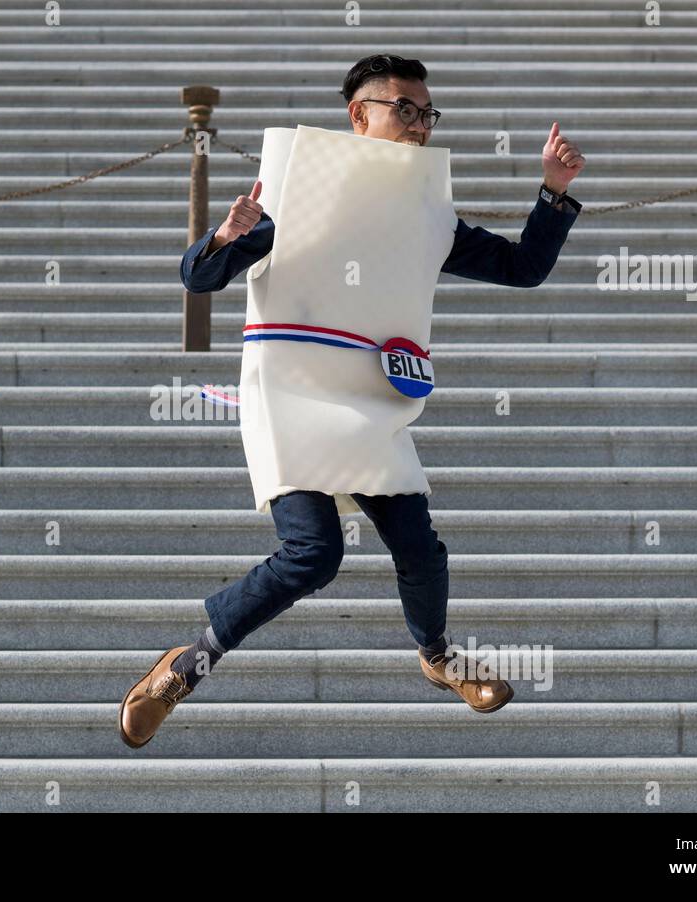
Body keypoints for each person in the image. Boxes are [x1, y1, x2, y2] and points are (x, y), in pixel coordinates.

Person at [120, 53, 585, 748]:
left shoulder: (428, 215)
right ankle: (188, 663)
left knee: (420, 550)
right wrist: (225, 235)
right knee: (313, 555)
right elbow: (198, 277)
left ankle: (437, 657)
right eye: (405, 108)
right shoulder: (297, 193)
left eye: (427, 112)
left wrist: (552, 191)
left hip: (373, 396)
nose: (419, 125)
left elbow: (523, 269)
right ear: (357, 114)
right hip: (294, 393)